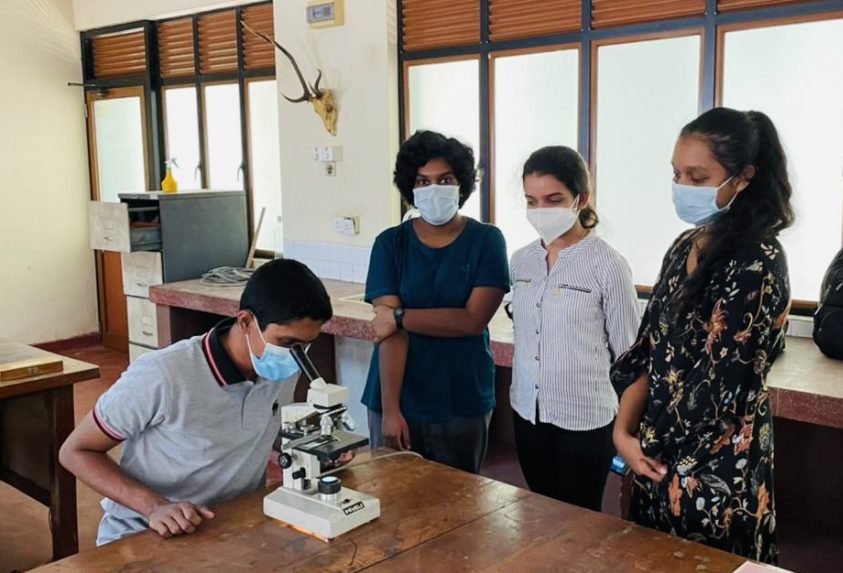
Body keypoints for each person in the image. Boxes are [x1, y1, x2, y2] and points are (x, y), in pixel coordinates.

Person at [611, 108, 793, 563]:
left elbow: (719, 385)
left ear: (744, 177)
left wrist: (645, 445)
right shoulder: (683, 247)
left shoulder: (758, 259)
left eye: (697, 176)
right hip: (655, 457)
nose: (682, 188)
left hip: (718, 465)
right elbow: (648, 351)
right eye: (677, 174)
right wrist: (623, 434)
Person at [60, 259, 347, 545]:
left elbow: (266, 433)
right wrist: (154, 506)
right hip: (146, 534)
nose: (297, 355)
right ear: (246, 321)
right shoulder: (164, 375)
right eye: (287, 343)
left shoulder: (281, 367)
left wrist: (318, 450)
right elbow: (76, 451)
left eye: (306, 344)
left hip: (228, 526)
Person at [365, 130, 510, 473]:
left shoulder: (486, 240)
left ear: (461, 183)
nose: (434, 189)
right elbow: (389, 333)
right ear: (410, 188)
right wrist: (391, 410)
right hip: (398, 398)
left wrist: (399, 317)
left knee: (459, 506)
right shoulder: (390, 244)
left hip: (461, 398)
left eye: (444, 179)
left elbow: (472, 321)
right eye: (422, 181)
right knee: (393, 500)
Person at [509, 146, 640, 511]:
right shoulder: (521, 261)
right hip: (527, 411)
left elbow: (629, 353)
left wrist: (628, 427)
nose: (541, 212)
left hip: (585, 417)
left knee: (580, 520)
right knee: (539, 510)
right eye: (531, 201)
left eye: (553, 199)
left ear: (581, 199)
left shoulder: (607, 265)